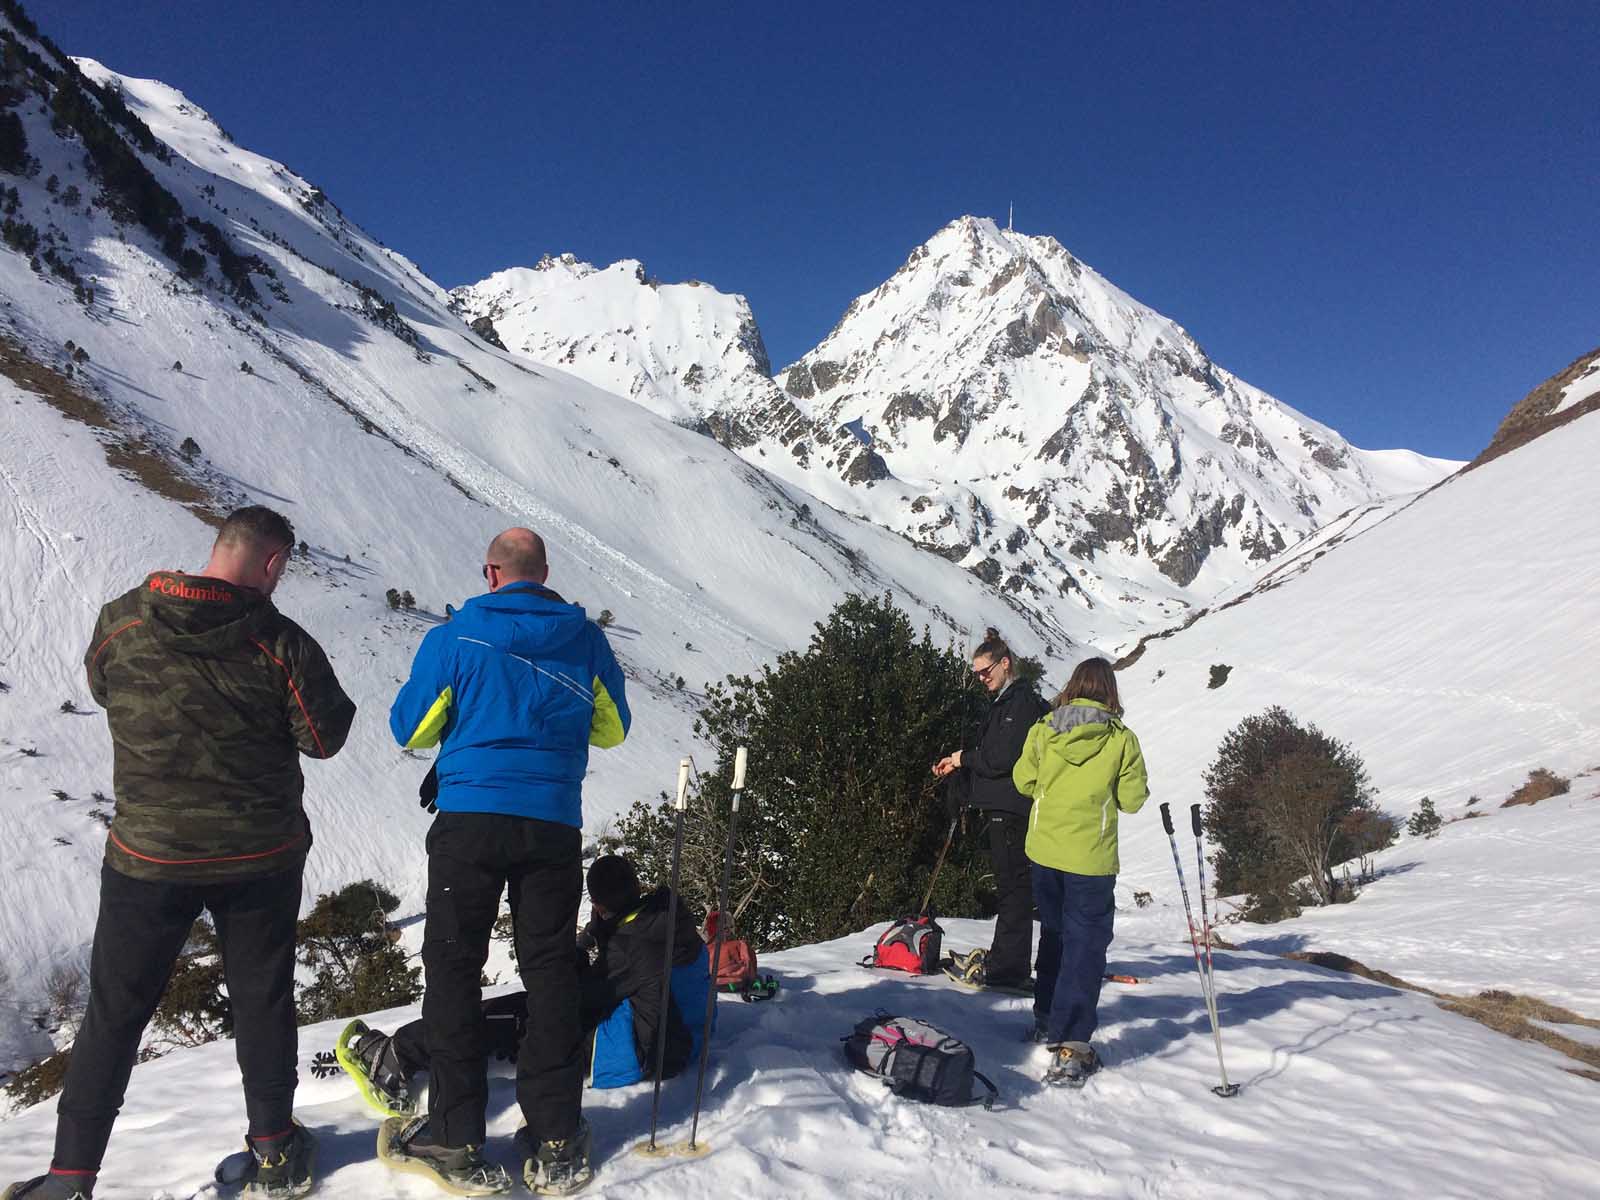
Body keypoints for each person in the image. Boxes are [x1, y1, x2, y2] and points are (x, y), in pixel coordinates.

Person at [4, 507, 356, 1200]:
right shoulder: (280, 644)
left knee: (115, 1012)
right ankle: (275, 1149)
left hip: (149, 857)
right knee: (262, 1000)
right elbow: (324, 738)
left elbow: (101, 686)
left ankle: (71, 1176)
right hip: (259, 858)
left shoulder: (123, 621)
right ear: (272, 563)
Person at [387, 528, 629, 1197]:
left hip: (469, 820)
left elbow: (411, 728)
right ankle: (556, 1135)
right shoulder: (585, 639)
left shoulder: (455, 637)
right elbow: (613, 728)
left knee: (454, 968)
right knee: (550, 969)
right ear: (544, 574)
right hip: (551, 822)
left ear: (491, 572)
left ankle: (456, 1135)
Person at [335, 855, 708, 1113]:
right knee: (527, 1011)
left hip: (631, 1053)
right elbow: (620, 962)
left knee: (525, 1012)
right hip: (679, 1038)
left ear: (597, 905)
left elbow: (580, 996)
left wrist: (572, 961)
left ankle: (396, 1056)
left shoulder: (631, 947)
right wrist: (591, 938)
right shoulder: (662, 918)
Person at [1012, 657, 1148, 1086]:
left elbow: (1023, 781)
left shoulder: (1043, 729)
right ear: (1110, 692)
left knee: (1054, 935)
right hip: (1090, 860)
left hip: (1045, 852)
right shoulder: (1121, 739)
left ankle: (1045, 1017)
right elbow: (1132, 799)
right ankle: (1071, 1044)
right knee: (1085, 947)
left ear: (1072, 687)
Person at [932, 628, 1049, 990]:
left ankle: (1008, 970)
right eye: (977, 674)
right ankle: (1005, 960)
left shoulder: (1020, 703)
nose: (981, 678)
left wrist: (962, 758)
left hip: (1012, 806)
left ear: (1005, 663)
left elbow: (1001, 757)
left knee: (1014, 888)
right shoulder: (1007, 701)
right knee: (1010, 886)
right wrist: (961, 763)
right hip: (1003, 806)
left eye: (986, 671)